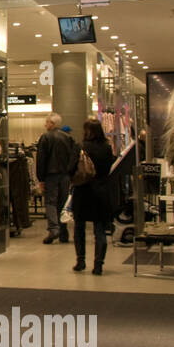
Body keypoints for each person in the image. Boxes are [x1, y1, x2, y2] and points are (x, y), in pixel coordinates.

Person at [70, 118, 116, 275]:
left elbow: (71, 168)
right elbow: (110, 167)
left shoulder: (81, 147)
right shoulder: (107, 148)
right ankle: (98, 264)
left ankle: (80, 261)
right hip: (101, 192)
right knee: (100, 229)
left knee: (79, 227)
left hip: (83, 191)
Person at [36, 112, 77, 244]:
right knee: (63, 202)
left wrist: (40, 178)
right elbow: (73, 158)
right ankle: (63, 232)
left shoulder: (45, 137)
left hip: (50, 175)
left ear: (52, 123)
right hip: (65, 175)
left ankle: (54, 228)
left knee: (50, 202)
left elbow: (41, 159)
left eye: (47, 122)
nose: (45, 124)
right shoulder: (68, 138)